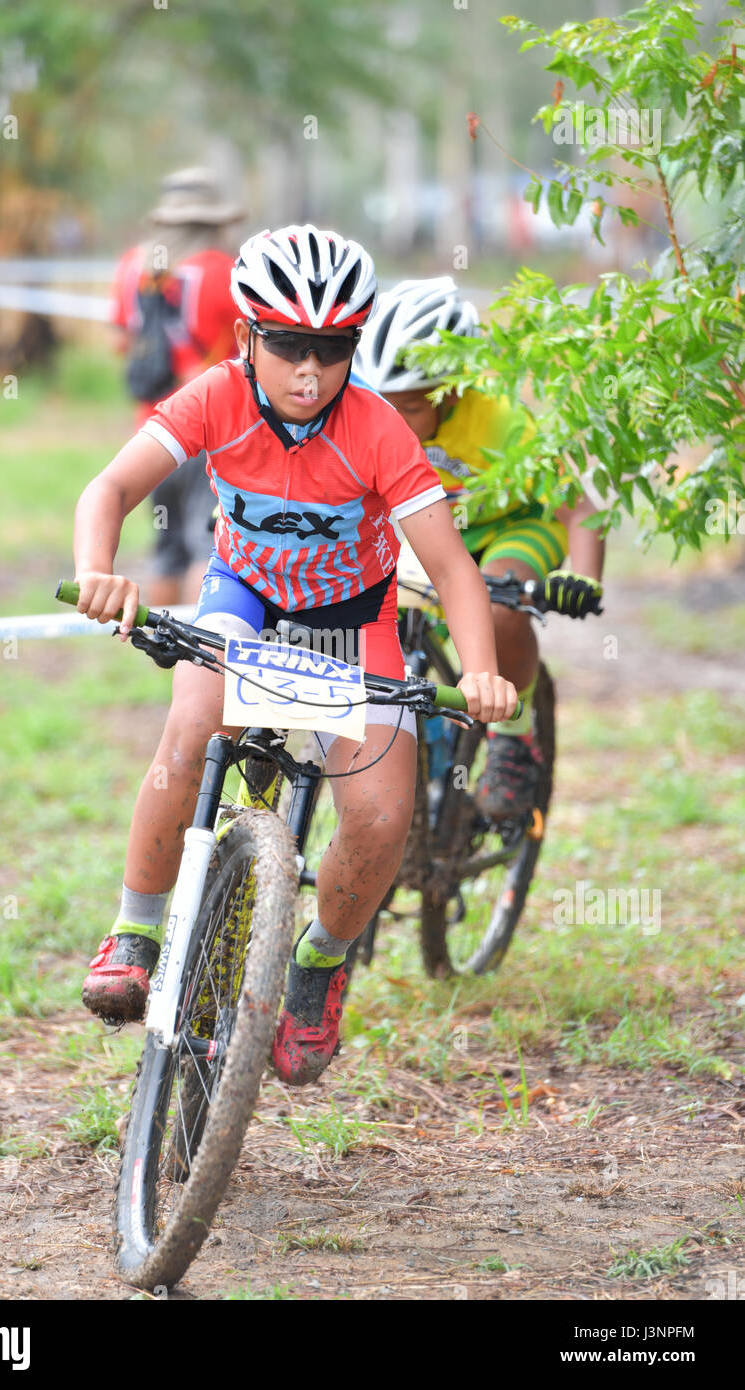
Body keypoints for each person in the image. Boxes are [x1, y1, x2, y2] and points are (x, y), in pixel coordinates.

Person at [73, 226, 517, 1086]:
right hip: (245, 598)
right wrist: (100, 571)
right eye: (287, 347)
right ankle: (134, 930)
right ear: (246, 339)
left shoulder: (380, 429)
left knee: (382, 814)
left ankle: (320, 963)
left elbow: (455, 567)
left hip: (353, 621)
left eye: (332, 348)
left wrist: (481, 667)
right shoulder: (214, 397)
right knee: (194, 728)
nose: (310, 372)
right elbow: (111, 489)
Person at [355, 276, 604, 822]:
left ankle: (514, 739)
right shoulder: (368, 418)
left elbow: (580, 508)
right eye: (383, 404)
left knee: (497, 607)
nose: (394, 421)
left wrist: (584, 580)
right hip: (432, 532)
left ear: (454, 389)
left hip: (513, 528)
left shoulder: (503, 423)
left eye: (413, 407)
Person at [109, 168, 245, 607]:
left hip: (149, 431)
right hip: (209, 427)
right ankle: (198, 655)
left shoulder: (133, 266)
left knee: (166, 545)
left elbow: (119, 342)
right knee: (207, 545)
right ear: (214, 221)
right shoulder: (225, 271)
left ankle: (161, 650)